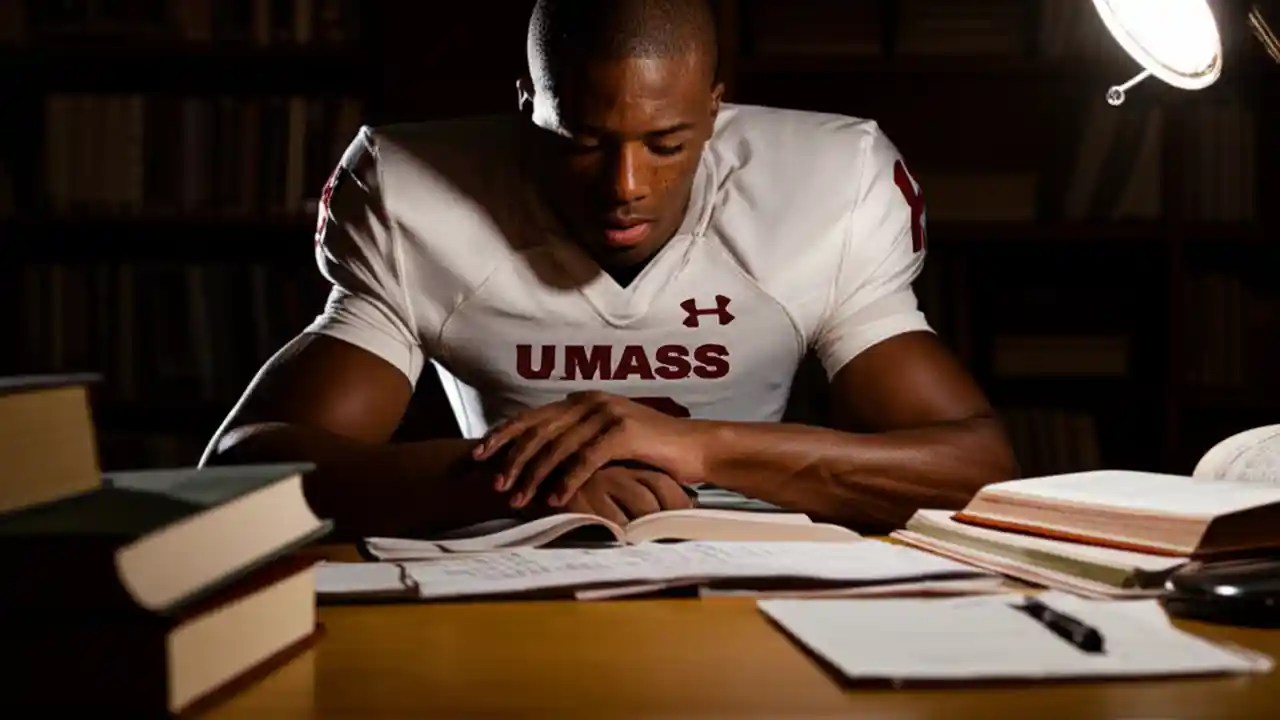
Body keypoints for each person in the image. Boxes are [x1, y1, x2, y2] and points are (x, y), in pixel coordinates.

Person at [201, 0, 1017, 537]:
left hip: (747, 565)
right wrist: (518, 482)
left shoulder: (827, 185)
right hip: (510, 561)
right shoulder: (413, 189)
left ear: (715, 109)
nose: (626, 188)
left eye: (667, 144)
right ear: (527, 107)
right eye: (582, 142)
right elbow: (243, 472)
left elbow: (977, 470)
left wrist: (695, 448)